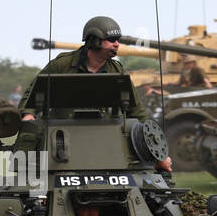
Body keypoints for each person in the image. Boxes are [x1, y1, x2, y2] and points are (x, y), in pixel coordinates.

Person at [14, 15, 172, 172]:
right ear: (94, 40)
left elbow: (137, 112)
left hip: (104, 143)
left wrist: (158, 153)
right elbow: (33, 92)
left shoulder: (116, 71)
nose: (117, 44)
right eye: (111, 40)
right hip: (62, 139)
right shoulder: (62, 65)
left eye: (118, 40)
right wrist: (28, 114)